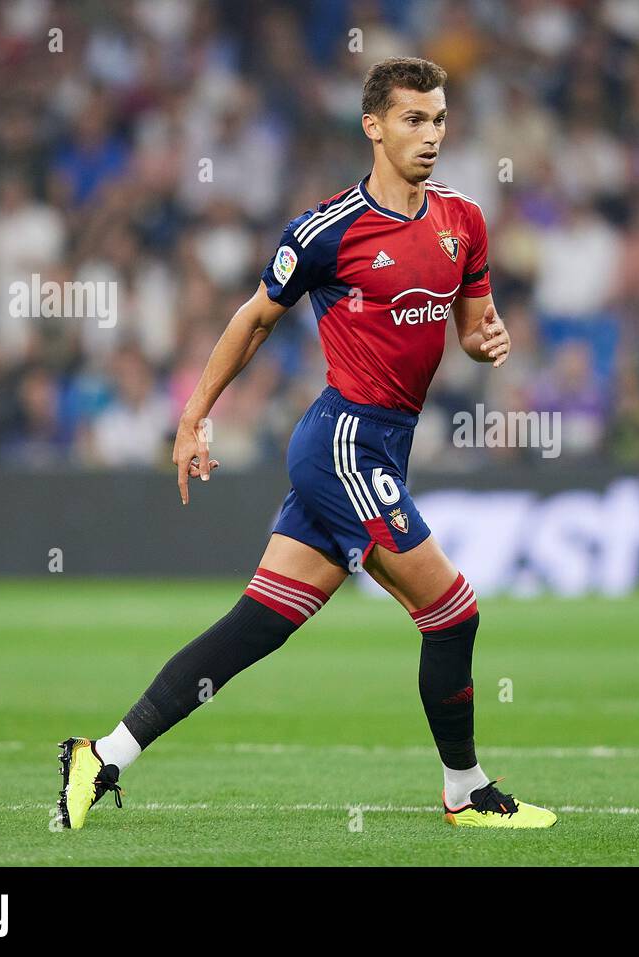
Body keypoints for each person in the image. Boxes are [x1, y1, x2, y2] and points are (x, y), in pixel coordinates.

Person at [56, 57, 556, 830]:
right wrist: (193, 416)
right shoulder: (328, 230)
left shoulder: (464, 221)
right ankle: (466, 790)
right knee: (453, 612)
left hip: (383, 447)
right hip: (344, 443)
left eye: (439, 119)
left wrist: (489, 340)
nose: (431, 135)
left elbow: (472, 327)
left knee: (257, 623)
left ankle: (103, 754)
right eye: (414, 119)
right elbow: (254, 318)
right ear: (373, 126)